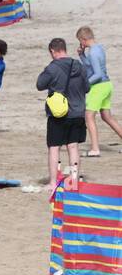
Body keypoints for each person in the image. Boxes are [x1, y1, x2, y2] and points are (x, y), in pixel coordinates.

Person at [37, 38, 90, 190]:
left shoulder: (52, 68)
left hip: (59, 114)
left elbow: (39, 84)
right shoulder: (79, 66)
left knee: (54, 148)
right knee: (73, 147)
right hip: (78, 112)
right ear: (65, 49)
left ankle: (53, 182)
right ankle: (73, 181)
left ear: (53, 51)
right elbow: (87, 88)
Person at [78, 26, 122, 157]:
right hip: (107, 85)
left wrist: (85, 84)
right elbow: (89, 67)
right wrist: (81, 54)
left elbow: (96, 74)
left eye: (80, 41)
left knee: (89, 116)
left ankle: (95, 149)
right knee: (106, 117)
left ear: (83, 39)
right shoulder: (98, 48)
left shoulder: (93, 53)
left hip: (99, 87)